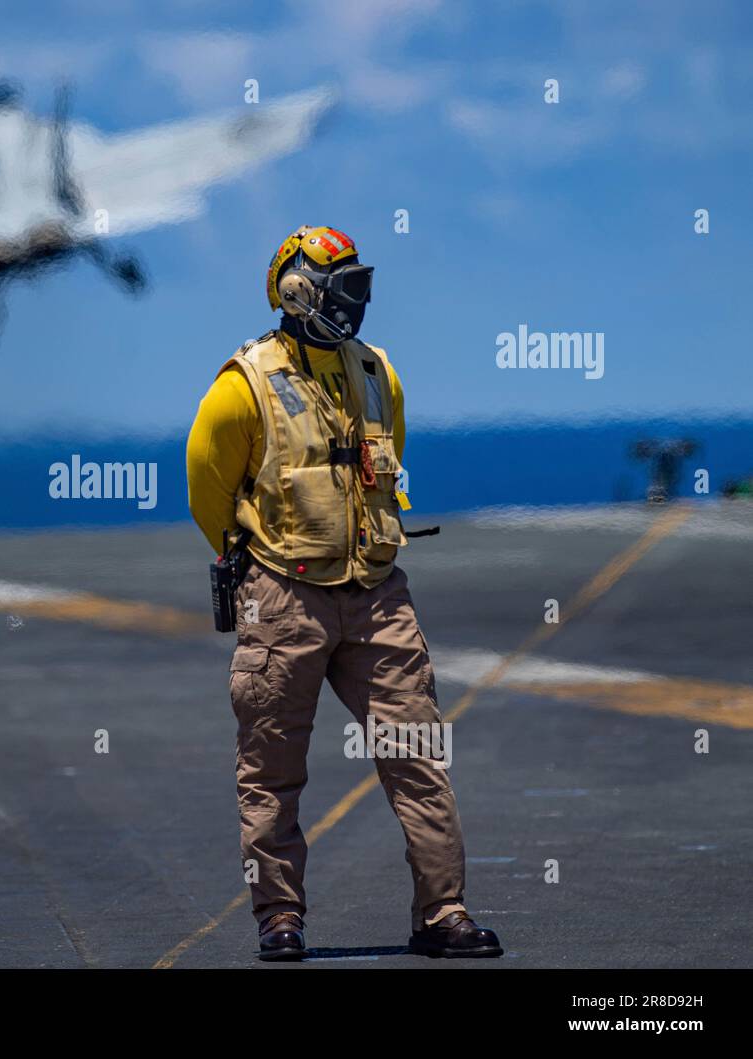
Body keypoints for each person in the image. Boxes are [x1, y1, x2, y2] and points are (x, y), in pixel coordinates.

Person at [186, 225, 503, 961]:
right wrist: (249, 556)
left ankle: (443, 913)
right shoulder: (246, 384)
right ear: (298, 290)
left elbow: (384, 459)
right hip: (283, 594)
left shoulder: (375, 372)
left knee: (417, 751)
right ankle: (280, 918)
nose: (356, 302)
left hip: (376, 595)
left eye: (361, 287)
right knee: (271, 767)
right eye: (344, 288)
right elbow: (208, 479)